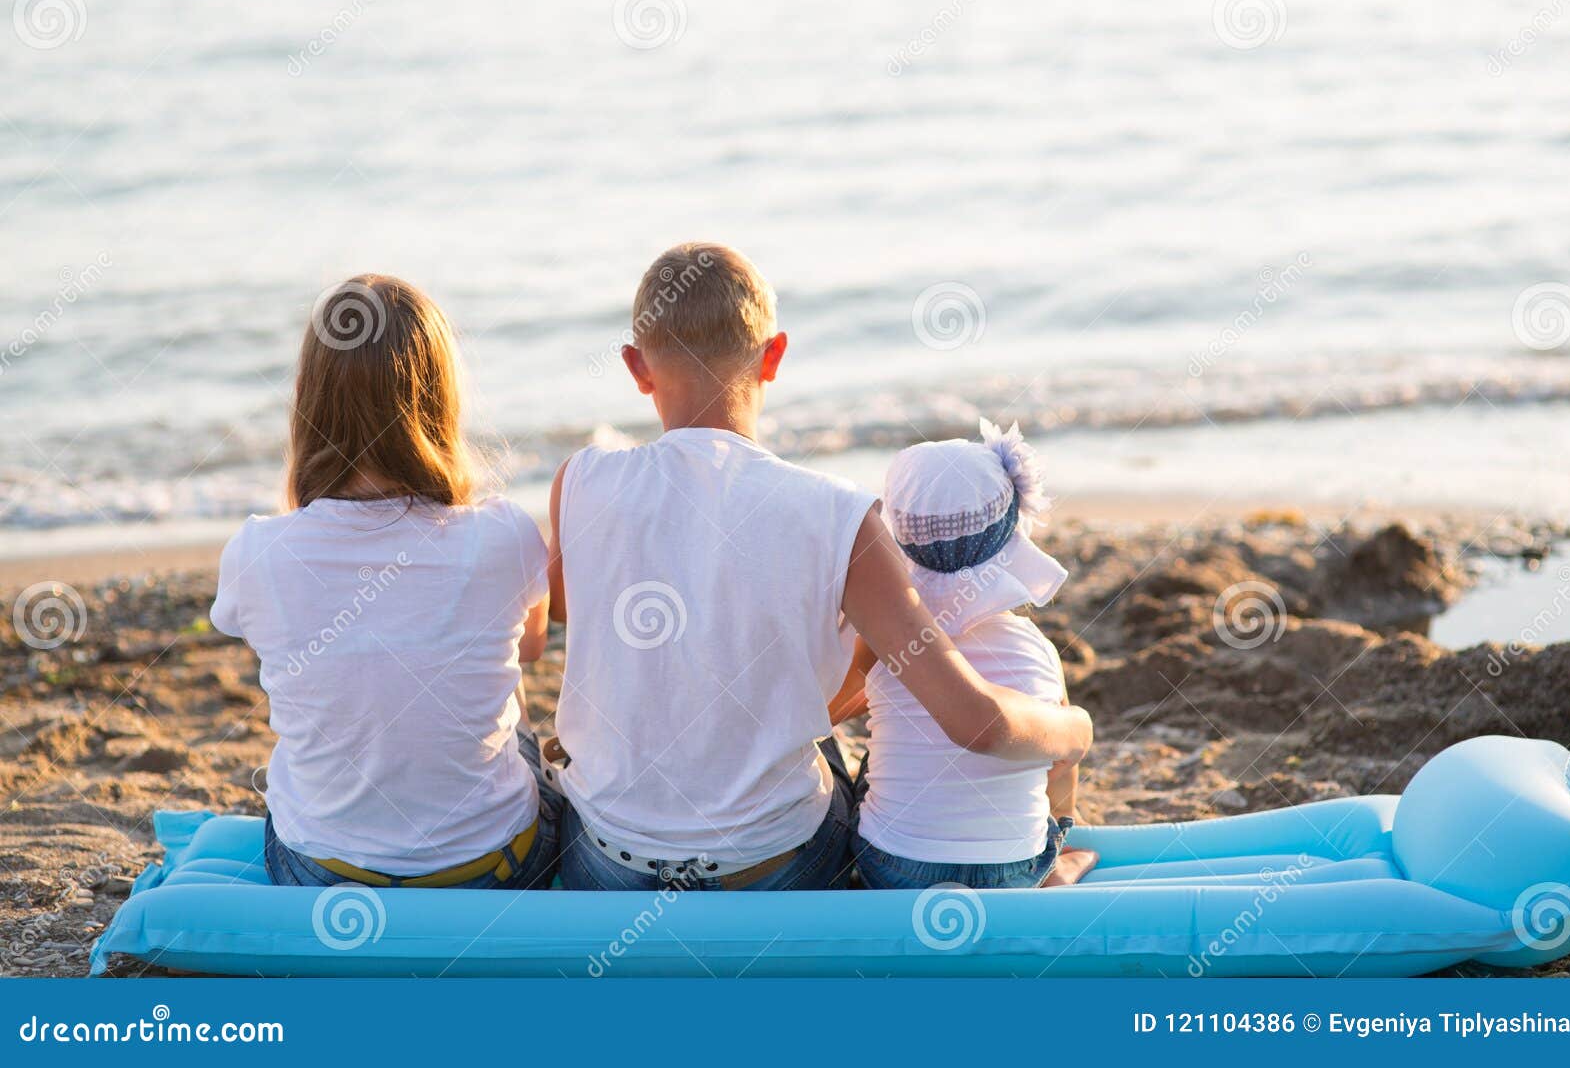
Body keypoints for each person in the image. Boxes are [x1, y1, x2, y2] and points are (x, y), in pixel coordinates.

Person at [548, 243, 1093, 891]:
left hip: (609, 862)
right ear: (774, 355)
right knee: (828, 759)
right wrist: (1077, 729)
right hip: (774, 868)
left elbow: (566, 609)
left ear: (636, 368)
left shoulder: (580, 480)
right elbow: (968, 713)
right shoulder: (836, 513)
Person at [211, 275, 563, 889]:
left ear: (307, 402)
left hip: (321, 872)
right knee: (510, 697)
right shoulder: (503, 534)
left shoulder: (258, 552)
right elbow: (531, 648)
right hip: (494, 867)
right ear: (442, 400)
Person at [829, 420, 1099, 889]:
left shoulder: (883, 638)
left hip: (892, 867)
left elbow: (835, 706)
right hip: (1014, 868)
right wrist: (1060, 819)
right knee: (1051, 744)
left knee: (876, 754)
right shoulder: (1038, 649)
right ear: (1012, 524)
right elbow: (1060, 764)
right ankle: (1058, 864)